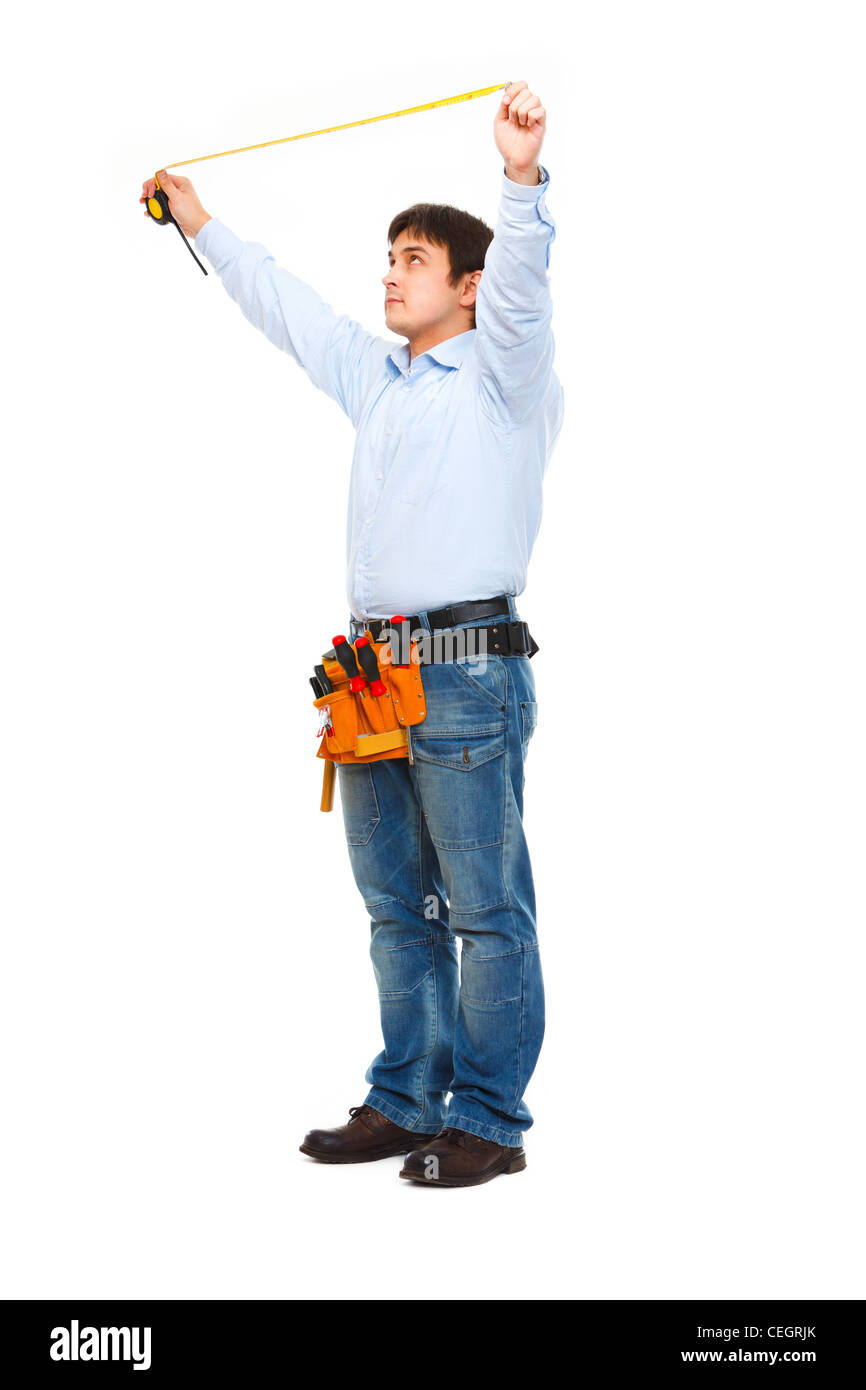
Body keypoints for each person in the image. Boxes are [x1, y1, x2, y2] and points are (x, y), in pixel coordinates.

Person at [140, 79, 564, 1187]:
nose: (388, 271)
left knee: (484, 910)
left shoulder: (505, 382)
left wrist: (518, 179)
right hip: (370, 680)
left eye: (413, 259)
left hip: (469, 677)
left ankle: (487, 1121)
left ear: (466, 288)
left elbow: (523, 298)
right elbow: (285, 306)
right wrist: (198, 221)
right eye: (389, 254)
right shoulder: (380, 381)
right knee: (396, 907)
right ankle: (403, 1098)